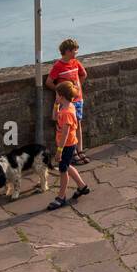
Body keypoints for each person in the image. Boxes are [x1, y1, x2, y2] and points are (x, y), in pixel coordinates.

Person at [46, 81, 90, 210]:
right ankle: (82, 186)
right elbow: (54, 117)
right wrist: (55, 105)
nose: (55, 97)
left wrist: (59, 150)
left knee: (63, 170)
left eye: (56, 95)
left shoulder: (67, 113)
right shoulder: (66, 107)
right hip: (67, 144)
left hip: (67, 145)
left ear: (61, 96)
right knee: (66, 165)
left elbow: (65, 133)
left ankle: (61, 197)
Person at [47, 38, 89, 165]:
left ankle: (79, 150)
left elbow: (84, 74)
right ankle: (73, 152)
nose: (76, 52)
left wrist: (75, 89)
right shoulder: (58, 66)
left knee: (78, 125)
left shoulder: (76, 63)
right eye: (74, 50)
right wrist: (61, 92)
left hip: (78, 99)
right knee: (66, 126)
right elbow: (49, 82)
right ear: (67, 51)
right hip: (66, 102)